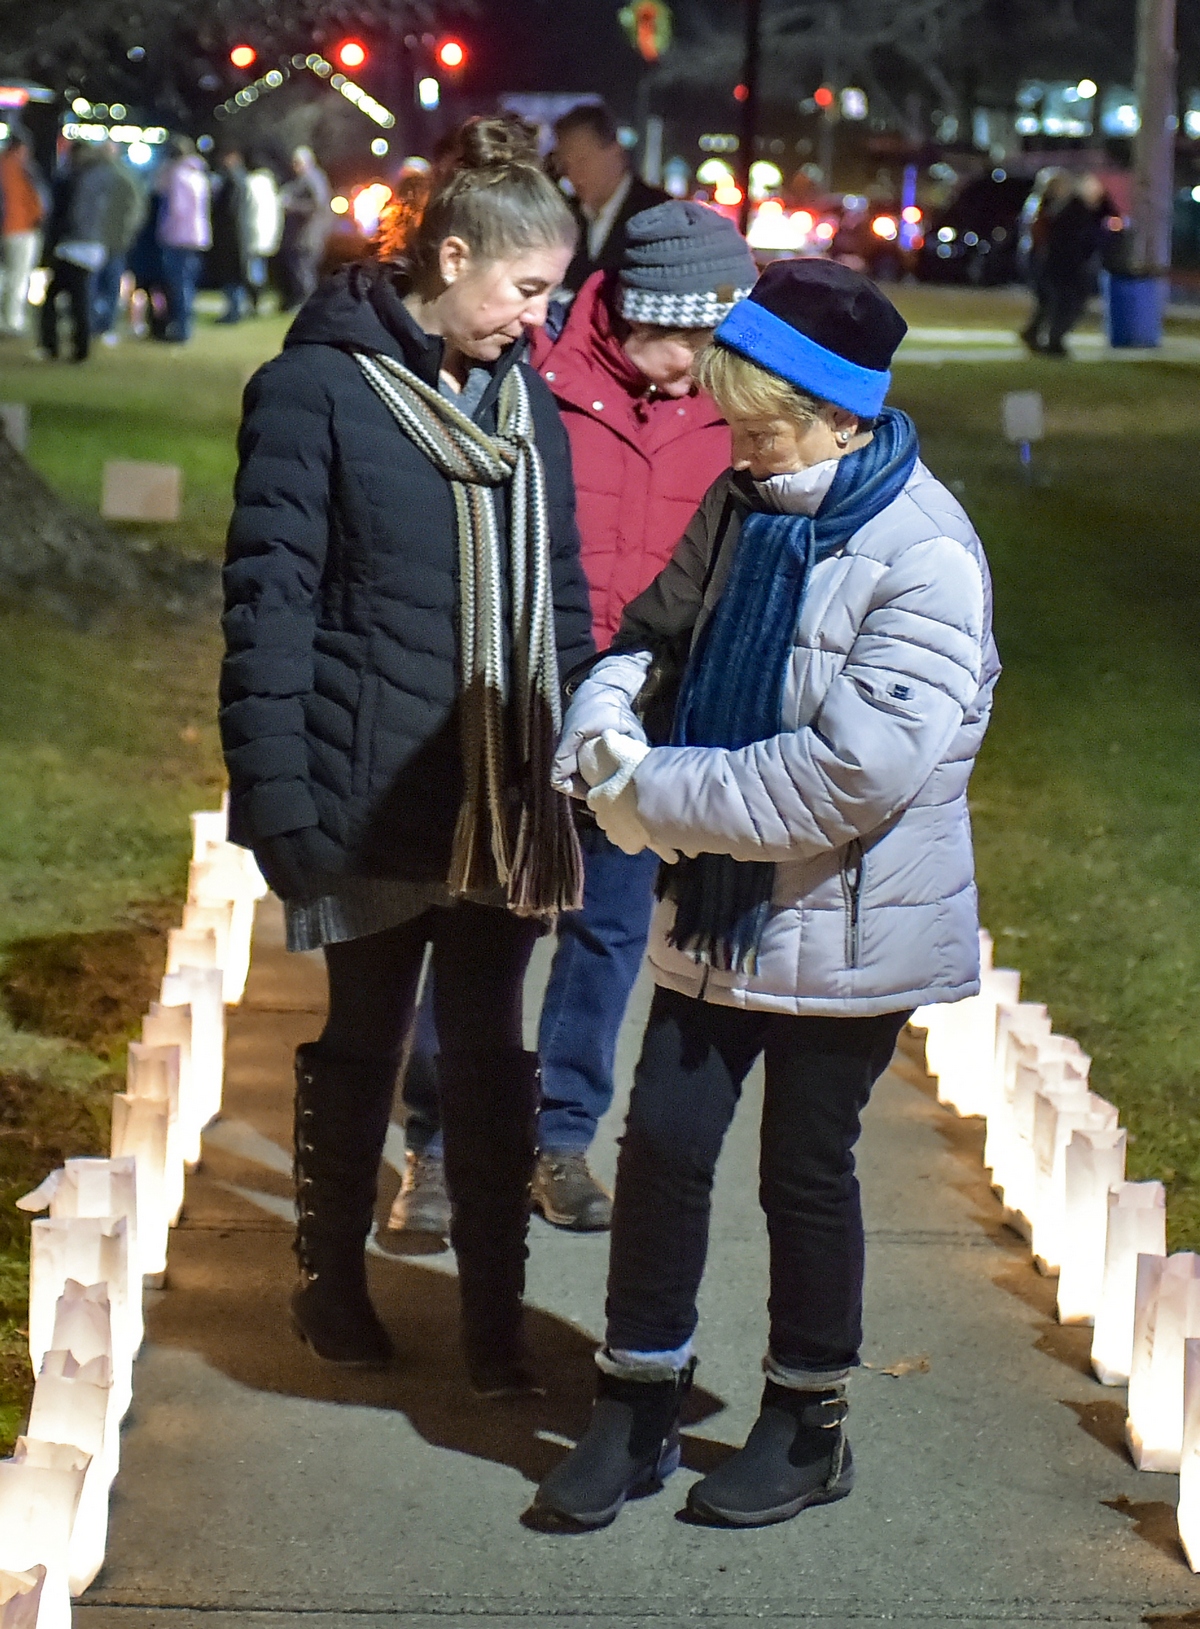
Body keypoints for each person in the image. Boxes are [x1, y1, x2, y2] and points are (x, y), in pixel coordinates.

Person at [533, 259, 998, 1529]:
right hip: (720, 906)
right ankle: (635, 1400)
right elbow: (652, 637)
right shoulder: (746, 505)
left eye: (762, 427)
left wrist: (644, 794)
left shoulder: (927, 556)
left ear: (842, 416)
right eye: (732, 424)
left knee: (803, 1167)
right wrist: (601, 723)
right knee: (666, 1145)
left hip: (847, 921)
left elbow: (846, 778)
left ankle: (805, 1423)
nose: (737, 451)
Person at [220, 114, 593, 1397]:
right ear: (450, 255)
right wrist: (277, 797)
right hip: (364, 783)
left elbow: (562, 596)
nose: (539, 320)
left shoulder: (526, 404)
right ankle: (329, 1283)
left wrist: (577, 757)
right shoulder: (315, 391)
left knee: (489, 1054)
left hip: (499, 797)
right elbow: (268, 603)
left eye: (553, 293)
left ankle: (495, 1315)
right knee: (366, 1036)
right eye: (525, 289)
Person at [393, 201, 758, 1238]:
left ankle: (558, 1138)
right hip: (524, 705)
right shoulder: (536, 380)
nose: (699, 365)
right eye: (685, 339)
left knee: (608, 936)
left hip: (646, 721)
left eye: (716, 342)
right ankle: (437, 1142)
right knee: (484, 929)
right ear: (636, 314)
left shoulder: (729, 410)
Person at [553, 103, 668, 294]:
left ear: (615, 152)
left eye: (583, 160)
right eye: (566, 165)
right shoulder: (565, 217)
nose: (574, 174)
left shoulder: (659, 214)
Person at [39, 142, 114, 363]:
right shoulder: (102, 176)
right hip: (92, 245)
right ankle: (79, 349)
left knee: (62, 298)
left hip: (75, 245)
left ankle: (56, 346)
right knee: (79, 298)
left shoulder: (78, 178)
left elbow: (73, 213)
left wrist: (59, 236)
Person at [1020, 172, 1107, 357]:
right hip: (1064, 264)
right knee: (1066, 303)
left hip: (1052, 262)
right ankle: (1053, 339)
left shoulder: (1050, 206)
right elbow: (1079, 238)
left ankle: (1039, 334)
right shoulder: (1071, 209)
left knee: (1052, 301)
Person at [155, 136, 211, 343]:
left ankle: (181, 329)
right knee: (188, 283)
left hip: (178, 235)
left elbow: (176, 207)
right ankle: (186, 326)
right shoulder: (199, 174)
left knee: (178, 284)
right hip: (197, 235)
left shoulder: (177, 175)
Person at [92, 143, 146, 345]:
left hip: (100, 239)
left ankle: (97, 322)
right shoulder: (126, 176)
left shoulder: (96, 174)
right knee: (111, 285)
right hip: (116, 239)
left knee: (98, 284)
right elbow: (137, 209)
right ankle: (105, 325)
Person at [0, 130, 46, 337]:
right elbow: (38, 200)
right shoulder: (24, 168)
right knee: (19, 277)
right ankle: (12, 320)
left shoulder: (3, 165)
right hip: (22, 228)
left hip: (7, 229)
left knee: (4, 276)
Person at [277, 146, 332, 311]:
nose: (294, 166)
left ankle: (308, 304)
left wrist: (292, 205)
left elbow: (318, 205)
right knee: (300, 270)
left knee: (304, 271)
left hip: (309, 236)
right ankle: (303, 302)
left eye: (297, 163)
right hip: (301, 236)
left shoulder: (313, 179)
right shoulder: (304, 179)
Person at [208, 149, 252, 323]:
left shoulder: (232, 180)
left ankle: (234, 311)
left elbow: (228, 209)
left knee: (232, 275)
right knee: (236, 275)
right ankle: (236, 310)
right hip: (238, 234)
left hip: (232, 236)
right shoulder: (239, 179)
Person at [244, 151, 283, 314]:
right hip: (268, 233)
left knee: (252, 270)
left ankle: (254, 302)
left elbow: (246, 209)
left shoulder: (250, 183)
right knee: (260, 268)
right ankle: (259, 300)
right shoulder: (270, 184)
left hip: (252, 232)